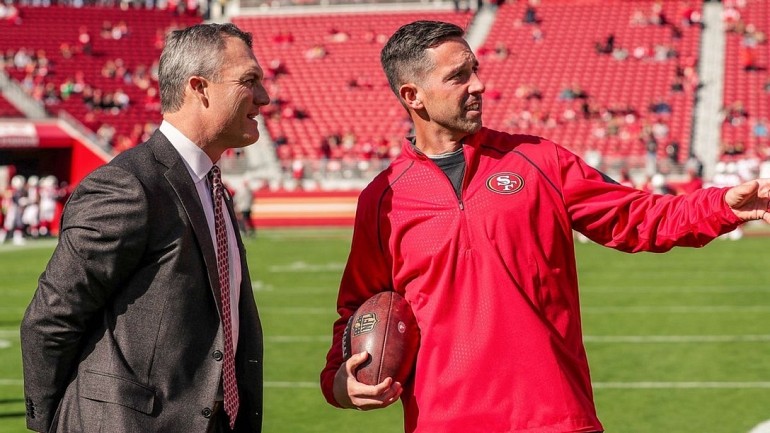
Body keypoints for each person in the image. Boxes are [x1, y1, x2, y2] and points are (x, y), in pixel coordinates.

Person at [320, 20, 770, 433]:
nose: (478, 85)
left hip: (555, 417)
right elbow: (360, 307)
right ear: (413, 95)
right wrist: (341, 382)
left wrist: (721, 207)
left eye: (475, 70)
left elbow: (638, 218)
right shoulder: (384, 199)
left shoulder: (539, 160)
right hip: (444, 422)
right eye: (458, 76)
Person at [21, 23, 269, 433]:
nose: (264, 97)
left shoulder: (212, 185)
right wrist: (50, 423)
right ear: (199, 88)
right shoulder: (128, 185)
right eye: (249, 81)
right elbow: (50, 318)